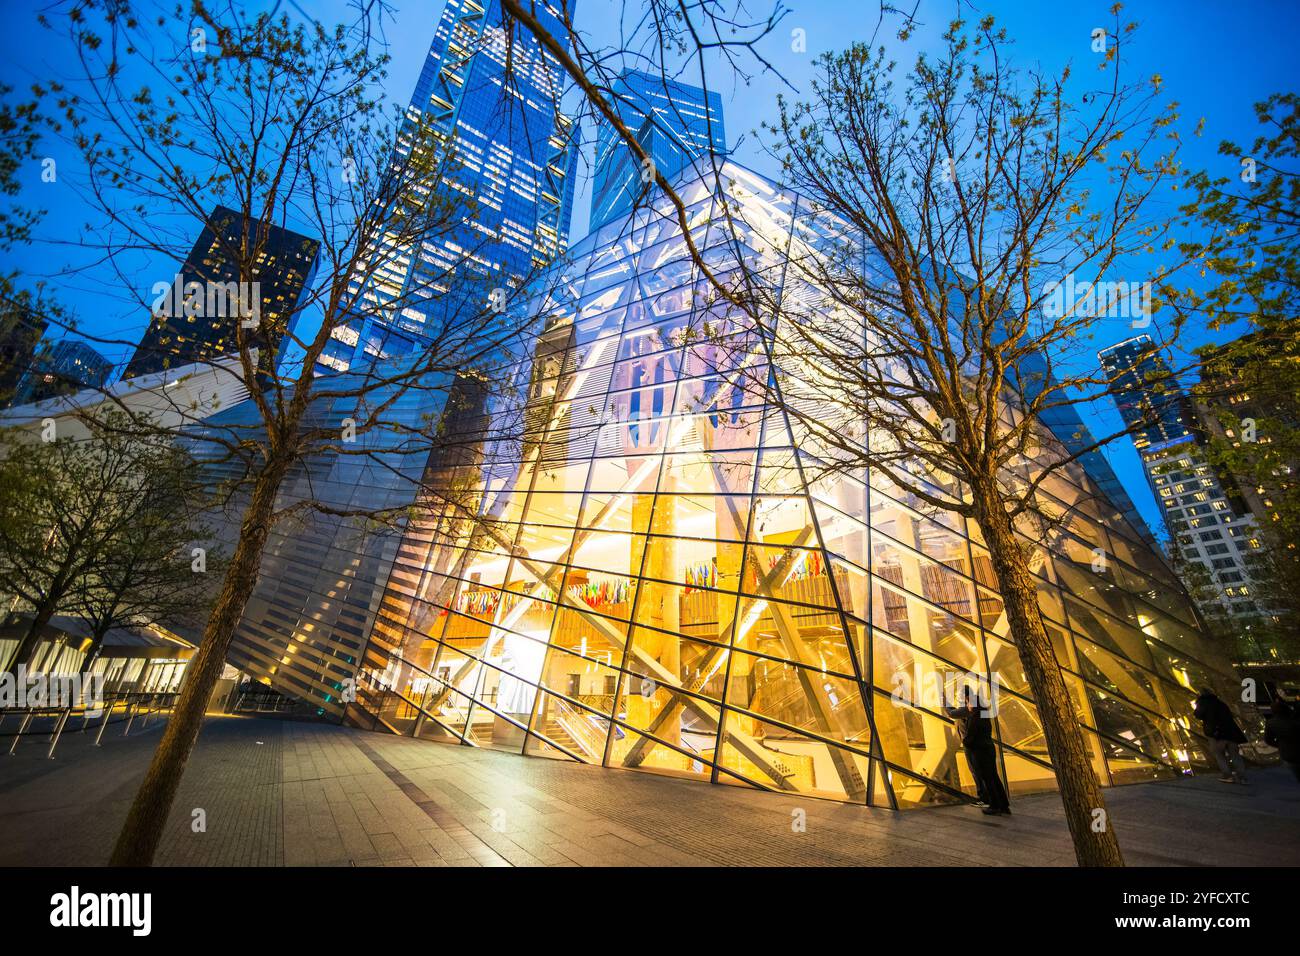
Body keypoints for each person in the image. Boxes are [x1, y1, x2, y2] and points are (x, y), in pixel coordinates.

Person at [945, 684, 1010, 815]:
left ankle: (994, 806)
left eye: (968, 702)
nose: (967, 706)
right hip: (987, 748)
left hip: (980, 750)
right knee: (993, 777)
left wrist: (965, 742)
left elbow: (971, 735)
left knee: (987, 778)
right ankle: (1003, 805)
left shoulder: (976, 716)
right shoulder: (983, 713)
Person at [1193, 687, 1248, 784]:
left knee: (1220, 755)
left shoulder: (1203, 703)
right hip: (1231, 733)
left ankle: (1228, 776)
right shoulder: (1221, 703)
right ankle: (1242, 777)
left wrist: (1196, 707)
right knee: (1235, 755)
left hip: (1216, 734)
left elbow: (1198, 715)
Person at [1264, 698, 1300, 784]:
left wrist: (1280, 745)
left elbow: (1268, 739)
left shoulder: (1271, 723)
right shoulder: (1293, 721)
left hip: (1287, 753)